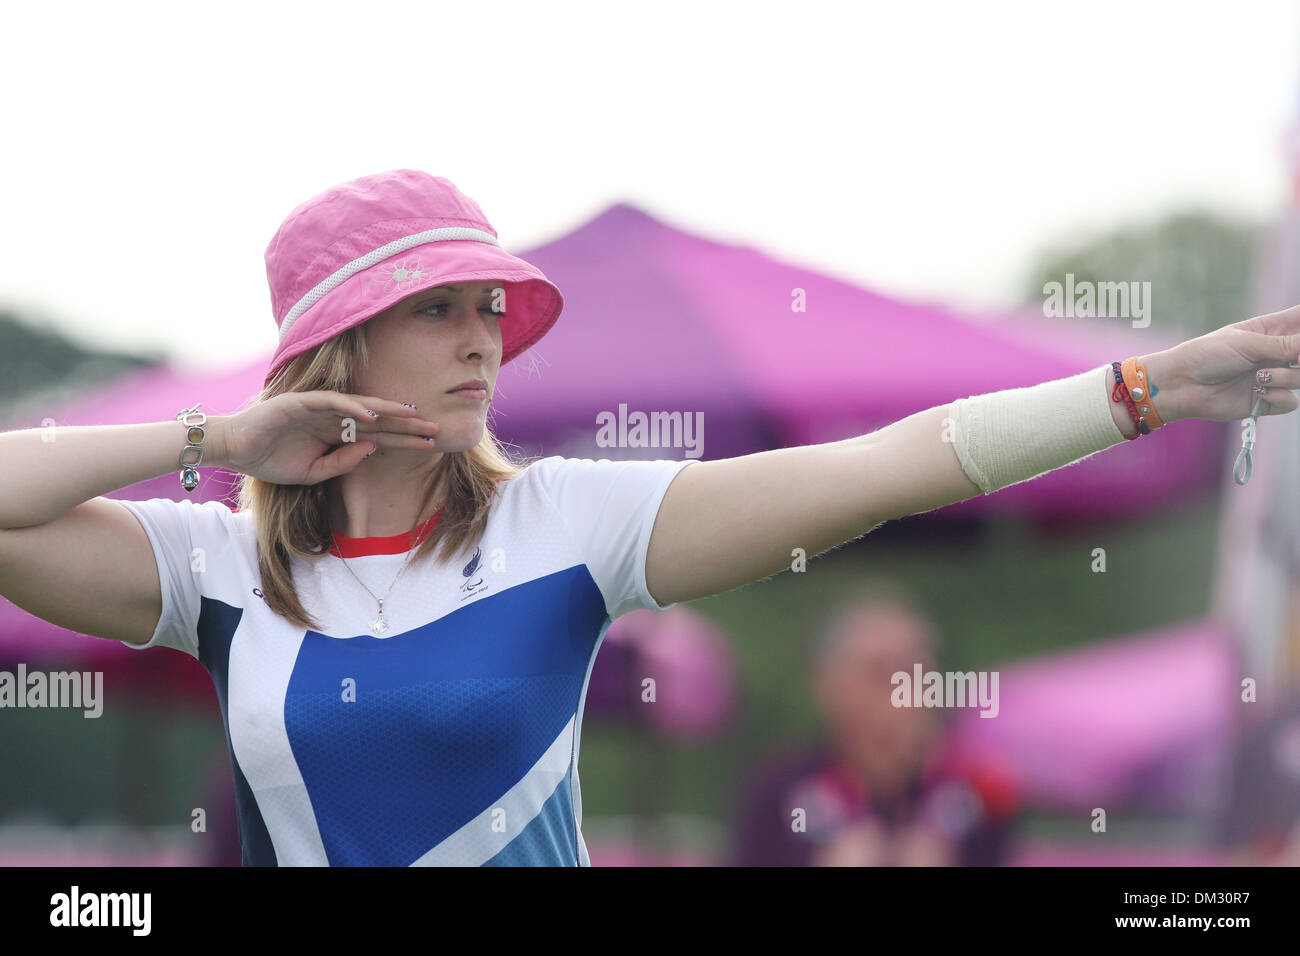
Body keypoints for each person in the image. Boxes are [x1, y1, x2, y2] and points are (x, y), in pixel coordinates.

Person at [0, 169, 1298, 867]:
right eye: (436, 310)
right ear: (336, 347)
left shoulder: (568, 523)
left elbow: (897, 465)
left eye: (488, 311)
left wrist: (1158, 386)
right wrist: (211, 440)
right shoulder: (215, 566)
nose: (482, 342)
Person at [729, 590, 1020, 866]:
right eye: (883, 672)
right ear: (828, 685)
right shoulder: (779, 791)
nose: (907, 691)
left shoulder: (973, 786)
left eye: (919, 670)